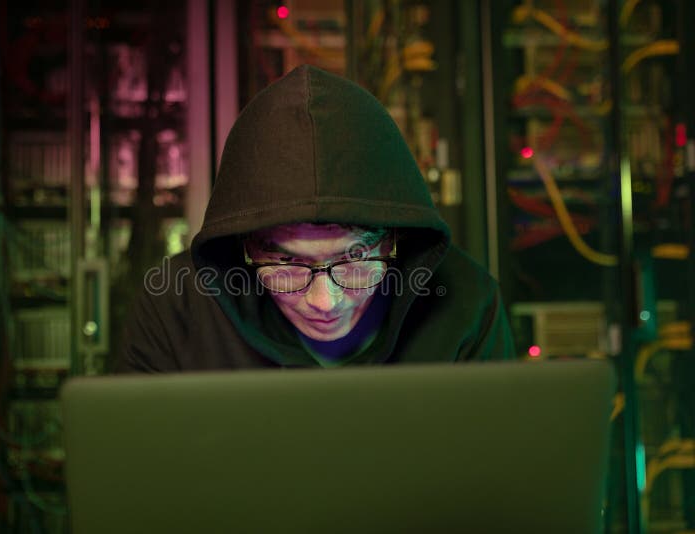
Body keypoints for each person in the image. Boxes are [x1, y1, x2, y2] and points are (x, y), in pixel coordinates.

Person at [116, 64, 515, 373]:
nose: (325, 302)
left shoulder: (468, 304)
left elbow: (500, 467)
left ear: (396, 240)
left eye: (356, 258)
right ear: (245, 247)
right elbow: (130, 468)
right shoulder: (175, 310)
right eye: (287, 264)